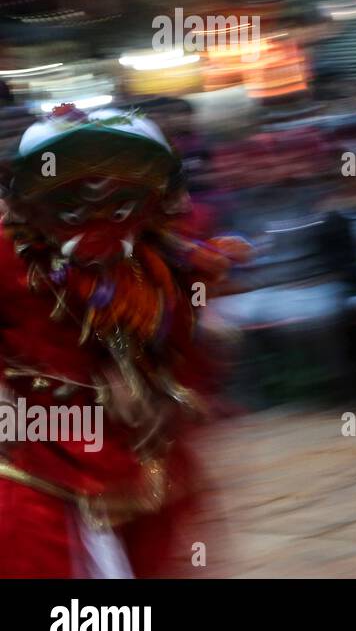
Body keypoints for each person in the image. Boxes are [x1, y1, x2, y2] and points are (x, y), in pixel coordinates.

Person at [0, 104, 247, 577]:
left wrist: (161, 386)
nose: (96, 199)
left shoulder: (174, 253)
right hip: (36, 454)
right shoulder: (7, 255)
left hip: (144, 461)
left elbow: (192, 352)